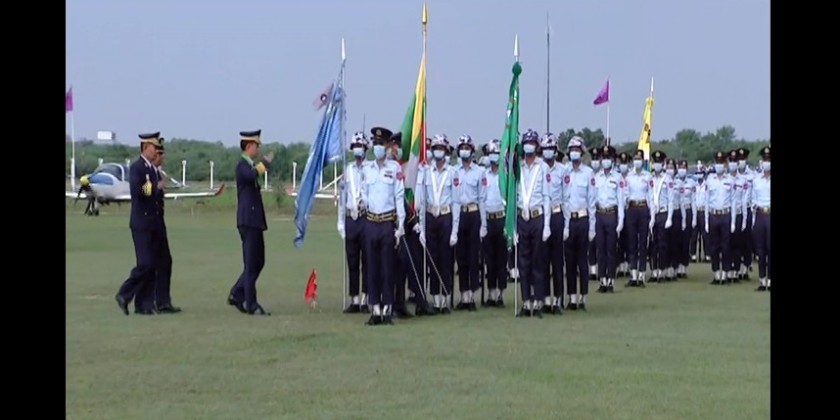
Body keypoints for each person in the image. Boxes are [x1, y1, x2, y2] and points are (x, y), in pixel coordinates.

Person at [115, 132, 167, 316]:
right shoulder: (138, 168)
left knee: (151, 265)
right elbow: (138, 191)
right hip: (141, 223)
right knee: (144, 263)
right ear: (145, 148)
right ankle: (124, 293)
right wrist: (154, 186)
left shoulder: (152, 169)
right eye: (154, 148)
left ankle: (143, 304)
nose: (156, 152)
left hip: (152, 223)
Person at [361, 127, 406, 325]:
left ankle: (387, 309)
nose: (378, 147)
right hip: (371, 222)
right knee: (372, 268)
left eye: (381, 143)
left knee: (388, 268)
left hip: (387, 222)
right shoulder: (367, 169)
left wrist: (401, 224)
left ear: (388, 146)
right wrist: (361, 202)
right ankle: (375, 309)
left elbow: (399, 196)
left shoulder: (394, 169)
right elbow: (364, 193)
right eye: (375, 143)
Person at [387, 132, 435, 317]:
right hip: (391, 223)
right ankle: (395, 304)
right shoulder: (388, 169)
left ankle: (416, 301)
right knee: (396, 265)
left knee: (413, 262)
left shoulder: (407, 167)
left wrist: (414, 221)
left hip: (408, 222)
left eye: (399, 146)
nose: (396, 149)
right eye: (394, 146)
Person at [228, 130, 272, 315]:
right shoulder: (242, 165)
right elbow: (251, 175)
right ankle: (250, 303)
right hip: (248, 221)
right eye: (256, 146)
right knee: (251, 262)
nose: (258, 149)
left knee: (258, 261)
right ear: (248, 146)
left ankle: (237, 292)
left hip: (255, 221)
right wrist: (265, 164)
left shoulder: (250, 165)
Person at [416, 134, 460, 314]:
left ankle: (445, 297)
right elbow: (422, 201)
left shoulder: (452, 172)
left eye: (441, 148)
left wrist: (454, 230)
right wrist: (422, 227)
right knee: (432, 258)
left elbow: (456, 202)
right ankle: (435, 298)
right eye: (436, 149)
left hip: (445, 217)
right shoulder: (426, 172)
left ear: (446, 151)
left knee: (445, 259)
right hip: (430, 217)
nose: (439, 152)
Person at [515, 130, 551, 317]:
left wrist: (547, 225)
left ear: (537, 147)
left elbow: (546, 197)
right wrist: (513, 227)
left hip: (537, 217)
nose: (529, 146)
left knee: (538, 261)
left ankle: (538, 301)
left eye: (532, 143)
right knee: (523, 263)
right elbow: (514, 197)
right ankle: (526, 301)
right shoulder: (518, 167)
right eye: (526, 143)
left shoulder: (543, 167)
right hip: (522, 218)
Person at [562, 136, 596, 310]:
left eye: (577, 150)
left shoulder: (588, 173)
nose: (574, 153)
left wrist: (592, 227)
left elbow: (592, 202)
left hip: (583, 220)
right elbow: (563, 198)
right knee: (569, 261)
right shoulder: (564, 172)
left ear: (581, 153)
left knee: (582, 260)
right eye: (572, 150)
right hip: (568, 220)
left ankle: (583, 297)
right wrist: (565, 225)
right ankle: (572, 297)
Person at [338, 131, 371, 314]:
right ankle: (354, 299)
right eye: (355, 146)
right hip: (351, 218)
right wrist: (340, 221)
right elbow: (342, 197)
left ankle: (365, 298)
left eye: (360, 146)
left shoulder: (370, 169)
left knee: (367, 261)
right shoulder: (348, 169)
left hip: (366, 218)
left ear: (365, 148)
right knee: (352, 261)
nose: (358, 149)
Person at [453, 135, 486, 311]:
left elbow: (482, 199)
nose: (464, 150)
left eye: (467, 148)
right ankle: (463, 294)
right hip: (459, 214)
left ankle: (472, 296)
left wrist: (483, 224)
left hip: (474, 214)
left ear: (472, 151)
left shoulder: (479, 172)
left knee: (473, 257)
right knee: (461, 258)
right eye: (462, 148)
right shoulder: (454, 171)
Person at [538, 133, 566, 314]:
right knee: (542, 260)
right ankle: (545, 299)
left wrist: (567, 224)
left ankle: (557, 299)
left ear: (555, 151)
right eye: (545, 149)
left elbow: (567, 198)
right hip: (541, 216)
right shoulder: (538, 169)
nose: (547, 152)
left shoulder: (562, 171)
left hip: (556, 215)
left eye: (550, 148)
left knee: (557, 261)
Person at [151, 143, 181, 314]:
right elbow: (139, 190)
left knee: (165, 262)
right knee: (148, 265)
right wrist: (156, 186)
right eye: (159, 154)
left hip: (158, 224)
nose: (162, 158)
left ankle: (163, 301)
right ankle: (138, 298)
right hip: (148, 225)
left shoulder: (157, 172)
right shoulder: (143, 171)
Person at [481, 139, 509, 307]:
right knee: (489, 259)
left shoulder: (505, 176)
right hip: (487, 220)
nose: (493, 156)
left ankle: (500, 293)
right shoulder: (484, 175)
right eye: (490, 153)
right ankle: (491, 292)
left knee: (501, 259)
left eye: (496, 153)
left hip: (501, 219)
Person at [593, 145, 625, 293]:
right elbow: (592, 199)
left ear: (612, 159)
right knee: (600, 249)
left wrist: (621, 221)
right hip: (599, 214)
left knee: (611, 249)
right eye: (603, 158)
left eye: (608, 158)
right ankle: (602, 280)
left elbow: (621, 200)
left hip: (612, 214)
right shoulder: (596, 177)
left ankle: (611, 280)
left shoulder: (617, 177)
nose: (605, 160)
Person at [705, 151, 737, 285]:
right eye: (717, 162)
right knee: (714, 247)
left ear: (725, 164)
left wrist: (733, 221)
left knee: (726, 246)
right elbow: (707, 201)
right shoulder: (709, 180)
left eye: (721, 162)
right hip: (713, 215)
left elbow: (734, 201)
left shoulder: (730, 180)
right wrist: (706, 221)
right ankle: (716, 273)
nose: (719, 165)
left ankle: (725, 273)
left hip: (725, 215)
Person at [624, 150, 653, 287]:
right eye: (635, 158)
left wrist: (652, 215)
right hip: (631, 209)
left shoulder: (648, 176)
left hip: (643, 208)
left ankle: (641, 275)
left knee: (642, 243)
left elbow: (651, 196)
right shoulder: (629, 177)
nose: (637, 161)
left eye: (639, 158)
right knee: (632, 242)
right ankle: (633, 274)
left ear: (643, 160)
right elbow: (625, 194)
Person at [648, 151, 674, 283]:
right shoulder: (650, 178)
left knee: (663, 244)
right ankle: (654, 271)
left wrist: (669, 217)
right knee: (653, 244)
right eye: (655, 162)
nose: (657, 164)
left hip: (663, 213)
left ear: (663, 164)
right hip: (653, 214)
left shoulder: (667, 179)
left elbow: (671, 200)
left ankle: (662, 271)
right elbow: (649, 197)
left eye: (659, 162)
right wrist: (650, 216)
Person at [750, 146, 771, 291]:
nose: (767, 162)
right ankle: (762, 280)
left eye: (769, 159)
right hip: (759, 215)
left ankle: (770, 280)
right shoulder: (756, 180)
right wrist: (753, 220)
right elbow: (753, 199)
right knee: (760, 249)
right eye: (765, 159)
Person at [664, 158, 686, 281]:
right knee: (666, 242)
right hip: (666, 213)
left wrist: (684, 219)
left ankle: (675, 267)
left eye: (671, 168)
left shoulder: (679, 183)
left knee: (676, 243)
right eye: (668, 167)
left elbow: (682, 202)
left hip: (676, 213)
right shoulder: (662, 181)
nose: (670, 170)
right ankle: (667, 267)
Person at [735, 148, 756, 280]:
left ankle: (746, 267)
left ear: (746, 160)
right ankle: (736, 267)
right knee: (737, 239)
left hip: (748, 209)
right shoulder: (732, 175)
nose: (741, 161)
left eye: (743, 159)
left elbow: (754, 194)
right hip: (736, 211)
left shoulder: (752, 175)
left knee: (747, 240)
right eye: (739, 159)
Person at [676, 160, 696, 279]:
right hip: (678, 212)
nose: (682, 170)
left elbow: (693, 200)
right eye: (680, 167)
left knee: (686, 240)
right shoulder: (674, 182)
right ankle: (676, 266)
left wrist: (694, 217)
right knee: (677, 240)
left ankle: (683, 267)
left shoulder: (691, 183)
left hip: (688, 211)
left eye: (684, 167)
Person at [588, 146, 602, 281]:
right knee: (591, 242)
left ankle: (602, 269)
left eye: (597, 158)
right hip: (590, 211)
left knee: (601, 243)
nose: (595, 161)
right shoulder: (588, 174)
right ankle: (592, 269)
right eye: (593, 158)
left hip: (602, 212)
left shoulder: (602, 176)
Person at [616, 152, 631, 278]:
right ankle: (620, 265)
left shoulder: (631, 177)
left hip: (629, 210)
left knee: (629, 239)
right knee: (619, 240)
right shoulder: (616, 176)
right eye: (621, 162)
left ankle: (629, 265)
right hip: (618, 211)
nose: (623, 165)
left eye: (625, 162)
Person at [690, 169, 710, 263]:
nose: (699, 175)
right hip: (696, 211)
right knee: (694, 234)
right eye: (697, 173)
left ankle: (707, 255)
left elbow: (707, 200)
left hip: (703, 211)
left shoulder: (707, 186)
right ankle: (693, 255)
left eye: (700, 173)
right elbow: (693, 200)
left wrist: (706, 217)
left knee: (705, 235)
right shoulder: (694, 186)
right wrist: (694, 216)